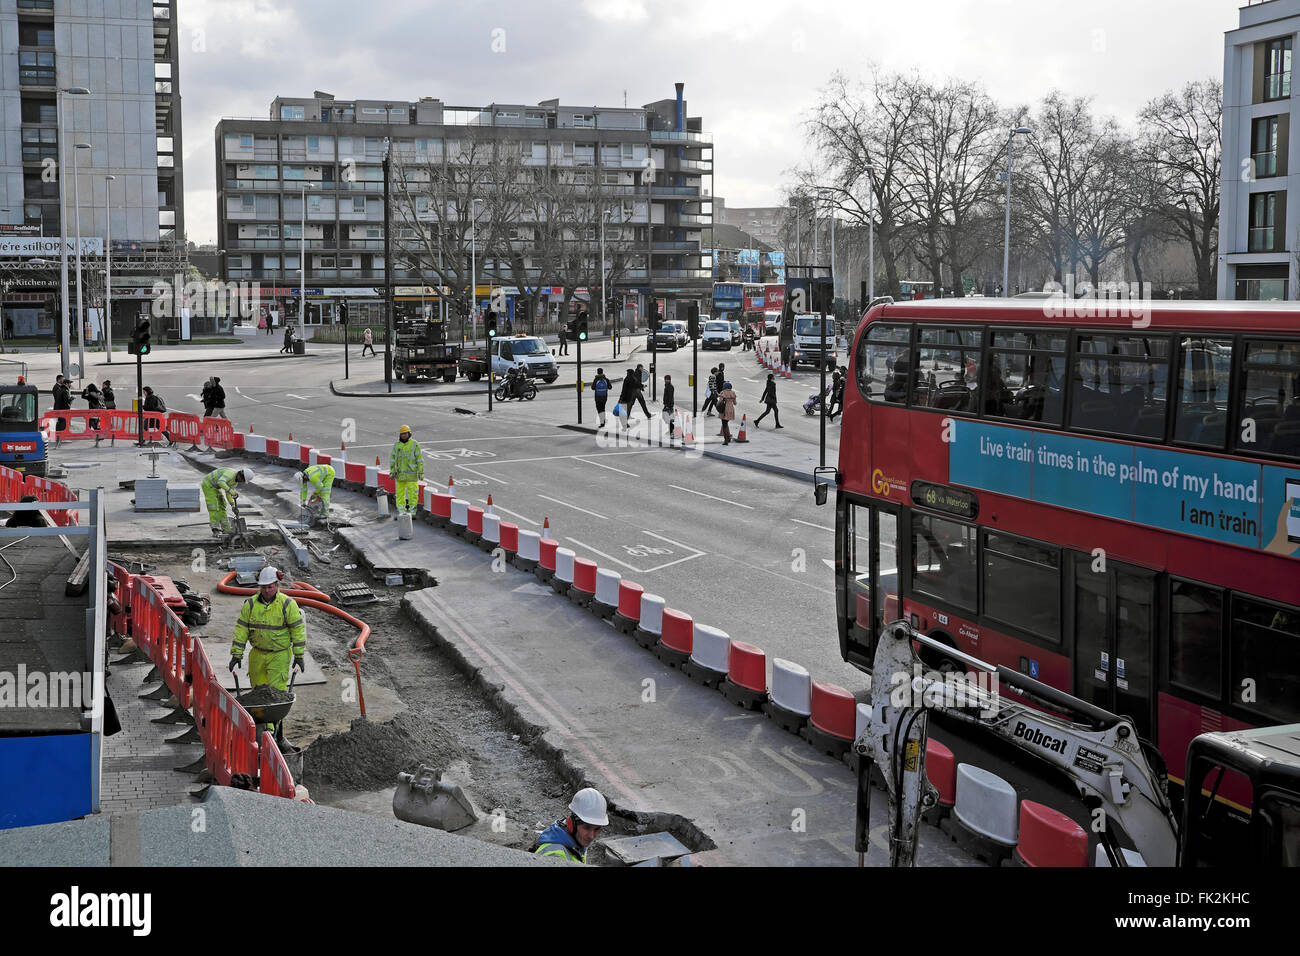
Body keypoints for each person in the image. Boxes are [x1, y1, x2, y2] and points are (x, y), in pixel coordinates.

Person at [229, 565, 306, 736]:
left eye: (270, 586)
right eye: (264, 587)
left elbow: (298, 631)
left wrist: (299, 655)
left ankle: (272, 732)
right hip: (257, 654)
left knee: (275, 693)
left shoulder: (288, 604)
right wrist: (236, 654)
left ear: (277, 585)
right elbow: (242, 630)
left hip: (279, 655)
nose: (267, 590)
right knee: (258, 693)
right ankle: (261, 728)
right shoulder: (250, 604)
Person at [533, 787, 609, 864]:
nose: (591, 836)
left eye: (597, 829)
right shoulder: (554, 856)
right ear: (571, 823)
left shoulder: (577, 841)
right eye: (586, 828)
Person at [201, 466, 253, 534]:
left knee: (222, 504)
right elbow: (221, 482)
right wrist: (231, 491)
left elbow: (228, 494)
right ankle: (215, 528)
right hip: (208, 484)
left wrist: (233, 506)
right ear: (240, 475)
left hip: (215, 487)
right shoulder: (230, 473)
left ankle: (226, 528)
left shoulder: (235, 483)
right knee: (214, 506)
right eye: (242, 480)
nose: (241, 482)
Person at [390, 424, 423, 515]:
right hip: (400, 475)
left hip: (412, 475)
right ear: (400, 435)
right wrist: (392, 471)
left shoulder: (414, 444)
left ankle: (412, 512)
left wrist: (421, 472)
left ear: (409, 433)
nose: (404, 435)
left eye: (405, 433)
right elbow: (393, 459)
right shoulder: (397, 446)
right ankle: (401, 511)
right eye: (402, 434)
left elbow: (419, 459)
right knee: (400, 494)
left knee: (413, 494)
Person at [718, 380, 738, 444]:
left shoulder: (722, 393)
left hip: (724, 410)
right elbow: (735, 403)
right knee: (726, 423)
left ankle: (726, 440)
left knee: (724, 425)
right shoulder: (733, 393)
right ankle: (728, 437)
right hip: (731, 409)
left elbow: (720, 401)